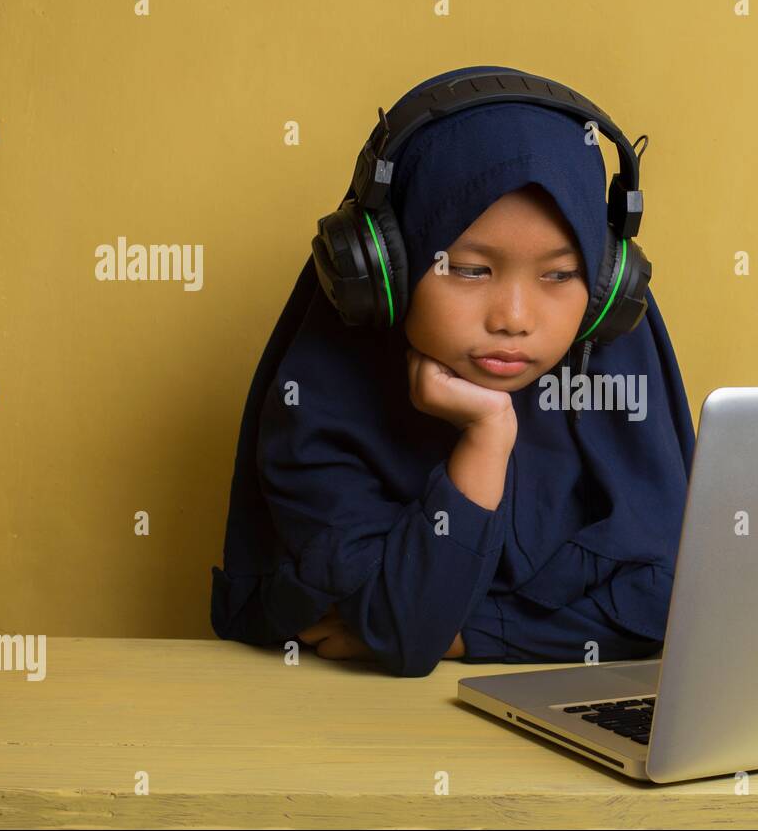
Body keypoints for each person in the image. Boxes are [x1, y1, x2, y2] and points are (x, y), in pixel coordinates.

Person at [209, 65, 696, 677]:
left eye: (559, 275)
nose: (514, 319)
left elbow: (673, 604)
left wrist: (471, 636)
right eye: (469, 269)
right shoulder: (320, 390)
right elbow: (406, 630)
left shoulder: (613, 355)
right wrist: (487, 437)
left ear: (605, 287)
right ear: (383, 266)